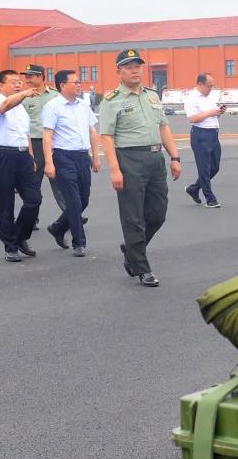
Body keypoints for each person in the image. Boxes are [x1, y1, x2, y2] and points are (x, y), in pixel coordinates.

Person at [98, 48, 183, 287]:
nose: (135, 71)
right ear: (119, 71)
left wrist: (175, 157)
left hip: (155, 159)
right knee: (133, 217)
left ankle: (132, 249)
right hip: (129, 159)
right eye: (129, 67)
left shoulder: (152, 96)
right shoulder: (112, 100)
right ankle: (142, 268)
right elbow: (107, 137)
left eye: (137, 67)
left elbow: (163, 127)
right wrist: (115, 170)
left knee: (157, 214)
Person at [43, 70, 103, 257]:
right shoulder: (52, 106)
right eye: (75, 82)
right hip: (63, 157)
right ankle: (79, 242)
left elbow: (92, 132)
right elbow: (47, 136)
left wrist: (96, 156)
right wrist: (49, 163)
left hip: (82, 157)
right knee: (73, 200)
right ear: (63, 85)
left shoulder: (83, 105)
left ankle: (58, 227)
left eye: (79, 82)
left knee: (83, 199)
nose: (79, 85)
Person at [0, 70, 41, 262]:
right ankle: (10, 246)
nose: (18, 85)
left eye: (19, 82)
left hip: (22, 155)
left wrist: (30, 155)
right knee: (5, 204)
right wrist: (24, 94)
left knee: (34, 199)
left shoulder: (21, 108)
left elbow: (26, 134)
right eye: (13, 82)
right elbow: (6, 105)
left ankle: (20, 236)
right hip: (2, 155)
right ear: (0, 85)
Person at [20, 64, 65, 221]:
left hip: (54, 143)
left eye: (30, 76)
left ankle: (70, 216)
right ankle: (31, 218)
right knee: (33, 183)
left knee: (59, 181)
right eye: (26, 76)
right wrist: (29, 151)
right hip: (34, 144)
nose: (27, 80)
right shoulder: (23, 98)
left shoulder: (55, 96)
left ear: (40, 76)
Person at [184, 73, 225, 208]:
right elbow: (192, 118)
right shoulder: (192, 98)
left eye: (212, 86)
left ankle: (194, 188)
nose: (211, 89)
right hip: (200, 135)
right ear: (200, 84)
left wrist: (218, 112)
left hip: (213, 134)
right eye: (209, 86)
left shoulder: (209, 97)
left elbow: (211, 116)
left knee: (215, 167)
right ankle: (210, 198)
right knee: (204, 169)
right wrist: (210, 113)